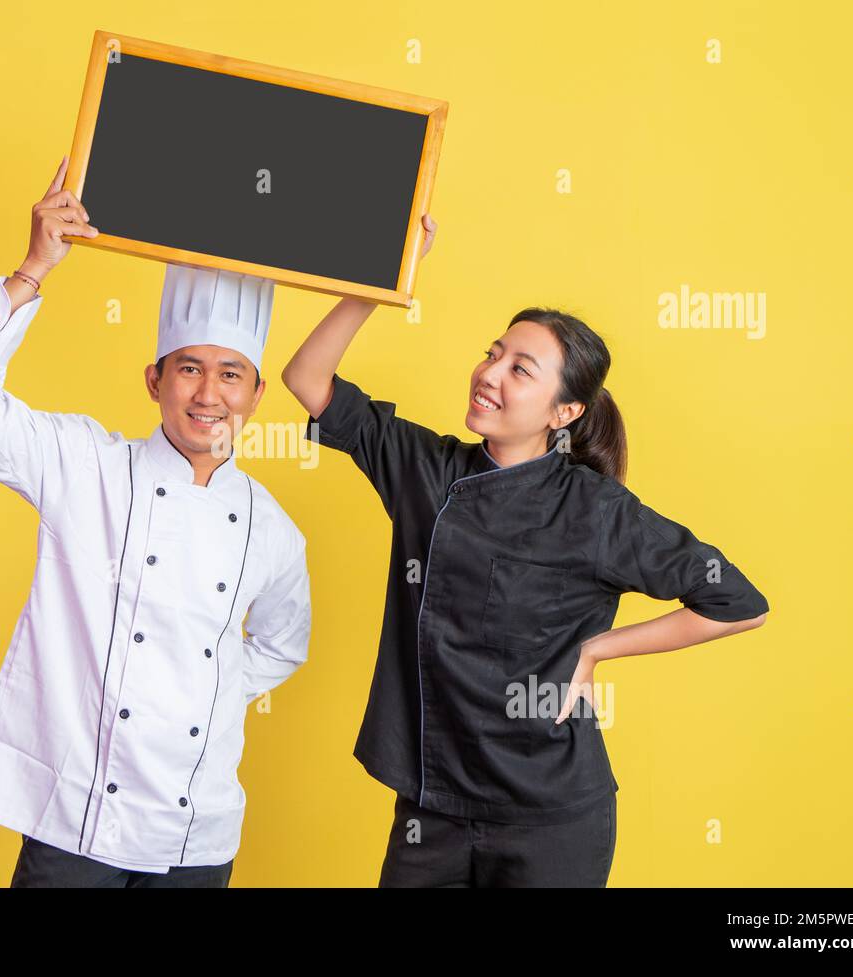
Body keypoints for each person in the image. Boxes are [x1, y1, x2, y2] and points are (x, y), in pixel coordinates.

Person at [281, 213, 769, 888]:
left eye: (520, 368)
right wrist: (381, 280)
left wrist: (597, 648)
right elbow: (307, 378)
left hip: (551, 819)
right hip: (433, 808)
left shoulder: (595, 511)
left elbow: (741, 603)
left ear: (564, 412)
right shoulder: (425, 469)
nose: (489, 373)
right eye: (493, 352)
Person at [0, 156, 311, 887]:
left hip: (198, 829)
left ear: (256, 393)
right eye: (189, 368)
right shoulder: (83, 464)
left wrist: (208, 684)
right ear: (154, 380)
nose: (208, 393)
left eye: (231, 374)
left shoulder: (275, 530)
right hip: (77, 819)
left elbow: (284, 646)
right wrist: (34, 267)